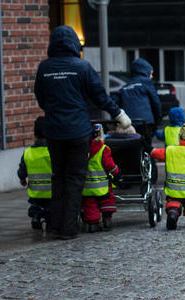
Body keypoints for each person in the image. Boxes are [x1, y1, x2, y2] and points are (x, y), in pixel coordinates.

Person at [34, 25, 132, 240]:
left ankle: (55, 225)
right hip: (78, 131)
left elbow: (40, 98)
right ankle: (68, 229)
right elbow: (100, 96)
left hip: (54, 131)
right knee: (75, 178)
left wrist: (54, 111)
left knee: (58, 177)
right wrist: (120, 116)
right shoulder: (82, 67)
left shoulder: (44, 67)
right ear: (73, 44)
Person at [81, 124, 122, 233]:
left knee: (90, 204)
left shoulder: (82, 149)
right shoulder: (104, 149)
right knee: (107, 200)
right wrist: (117, 172)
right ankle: (107, 219)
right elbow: (109, 165)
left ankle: (92, 224)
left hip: (87, 186)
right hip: (102, 185)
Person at [113, 58, 162, 144]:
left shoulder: (125, 87)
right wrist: (157, 121)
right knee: (146, 147)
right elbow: (156, 103)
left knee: (132, 148)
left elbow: (114, 103)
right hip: (145, 122)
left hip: (129, 123)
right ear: (145, 72)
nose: (151, 76)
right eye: (151, 73)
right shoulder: (146, 82)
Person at [17, 118, 52, 230]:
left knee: (36, 205)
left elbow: (22, 170)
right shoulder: (52, 152)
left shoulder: (28, 153)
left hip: (35, 192)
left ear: (34, 134)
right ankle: (50, 221)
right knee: (51, 208)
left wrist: (22, 178)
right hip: (52, 191)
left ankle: (36, 216)